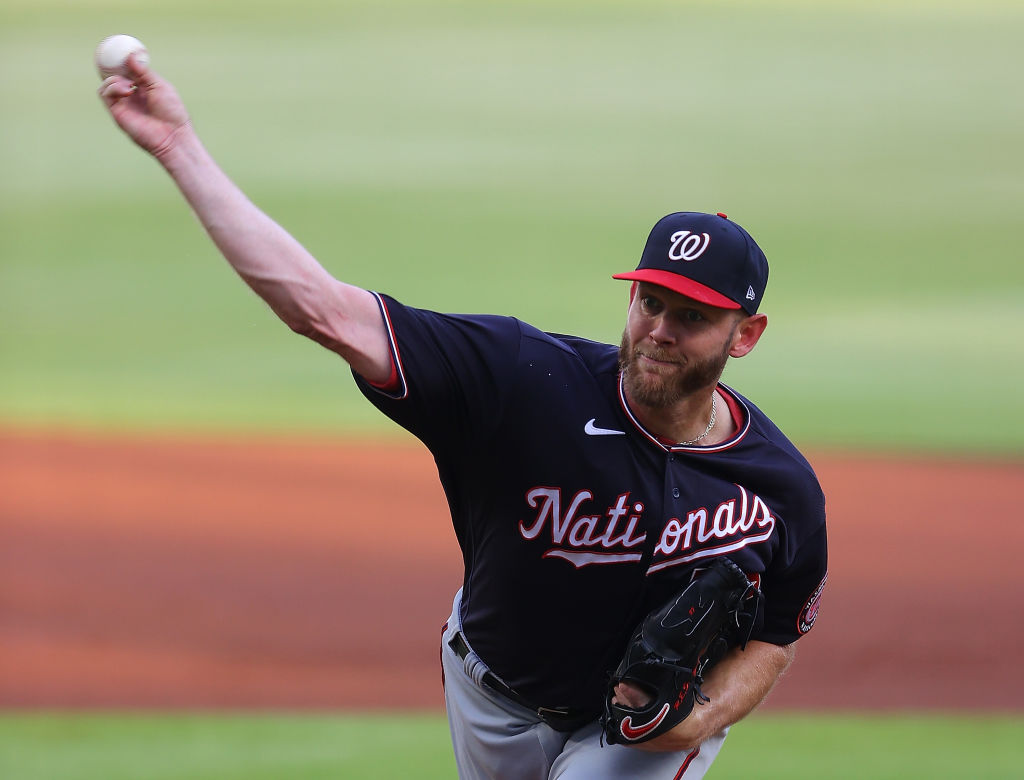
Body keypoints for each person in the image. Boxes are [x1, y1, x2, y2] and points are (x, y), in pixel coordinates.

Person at [99, 55, 827, 779]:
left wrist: (699, 721)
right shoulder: (524, 379)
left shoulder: (780, 488)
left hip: (637, 736)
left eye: (692, 317)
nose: (661, 330)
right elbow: (321, 309)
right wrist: (177, 148)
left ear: (745, 335)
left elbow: (775, 635)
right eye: (651, 303)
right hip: (488, 698)